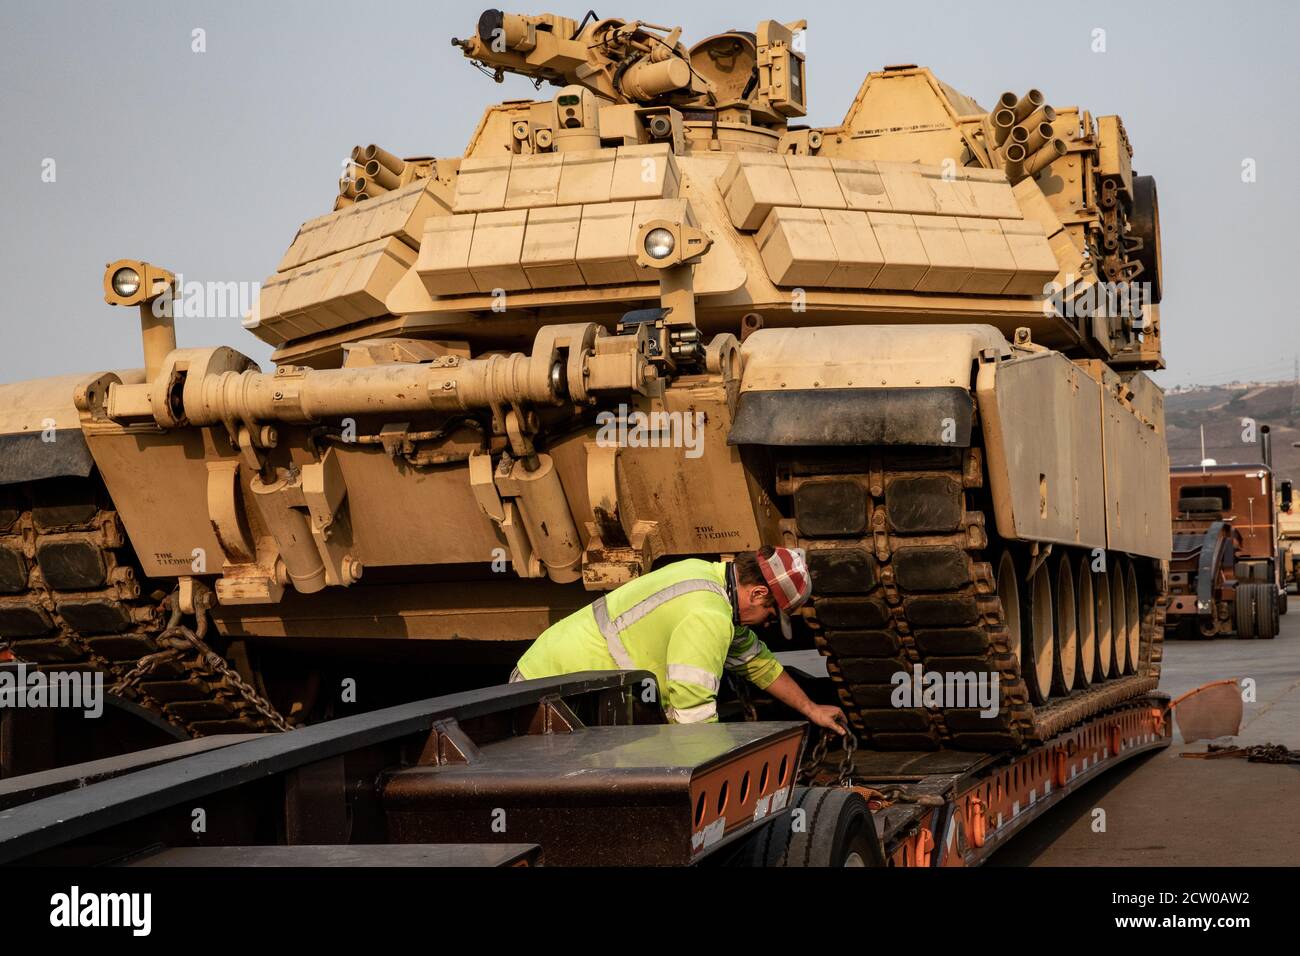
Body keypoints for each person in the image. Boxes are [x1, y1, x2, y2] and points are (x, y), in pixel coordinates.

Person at [512, 546, 847, 733]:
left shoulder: (702, 575)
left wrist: (811, 709)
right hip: (554, 696)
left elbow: (757, 662)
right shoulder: (709, 616)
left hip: (552, 679)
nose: (766, 625)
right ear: (758, 593)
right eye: (771, 617)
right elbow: (693, 713)